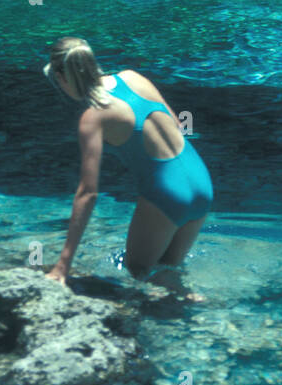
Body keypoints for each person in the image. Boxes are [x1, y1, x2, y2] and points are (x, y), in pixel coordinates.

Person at [43, 36, 212, 296]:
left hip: (168, 191)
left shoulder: (93, 117)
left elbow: (87, 193)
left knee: (138, 269)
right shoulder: (133, 78)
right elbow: (178, 125)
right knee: (168, 269)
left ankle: (197, 307)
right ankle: (203, 309)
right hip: (201, 179)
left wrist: (63, 265)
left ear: (62, 77)